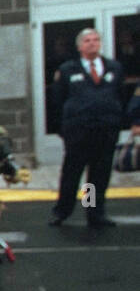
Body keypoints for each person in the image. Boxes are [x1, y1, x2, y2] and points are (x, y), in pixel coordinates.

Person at [49, 27, 136, 228]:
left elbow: (121, 96)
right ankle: (62, 211)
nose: (92, 43)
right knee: (72, 173)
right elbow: (57, 100)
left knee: (97, 176)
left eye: (96, 40)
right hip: (78, 131)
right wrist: (64, 128)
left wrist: (115, 120)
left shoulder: (114, 68)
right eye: (87, 40)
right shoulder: (67, 69)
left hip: (105, 131)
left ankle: (94, 213)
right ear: (80, 46)